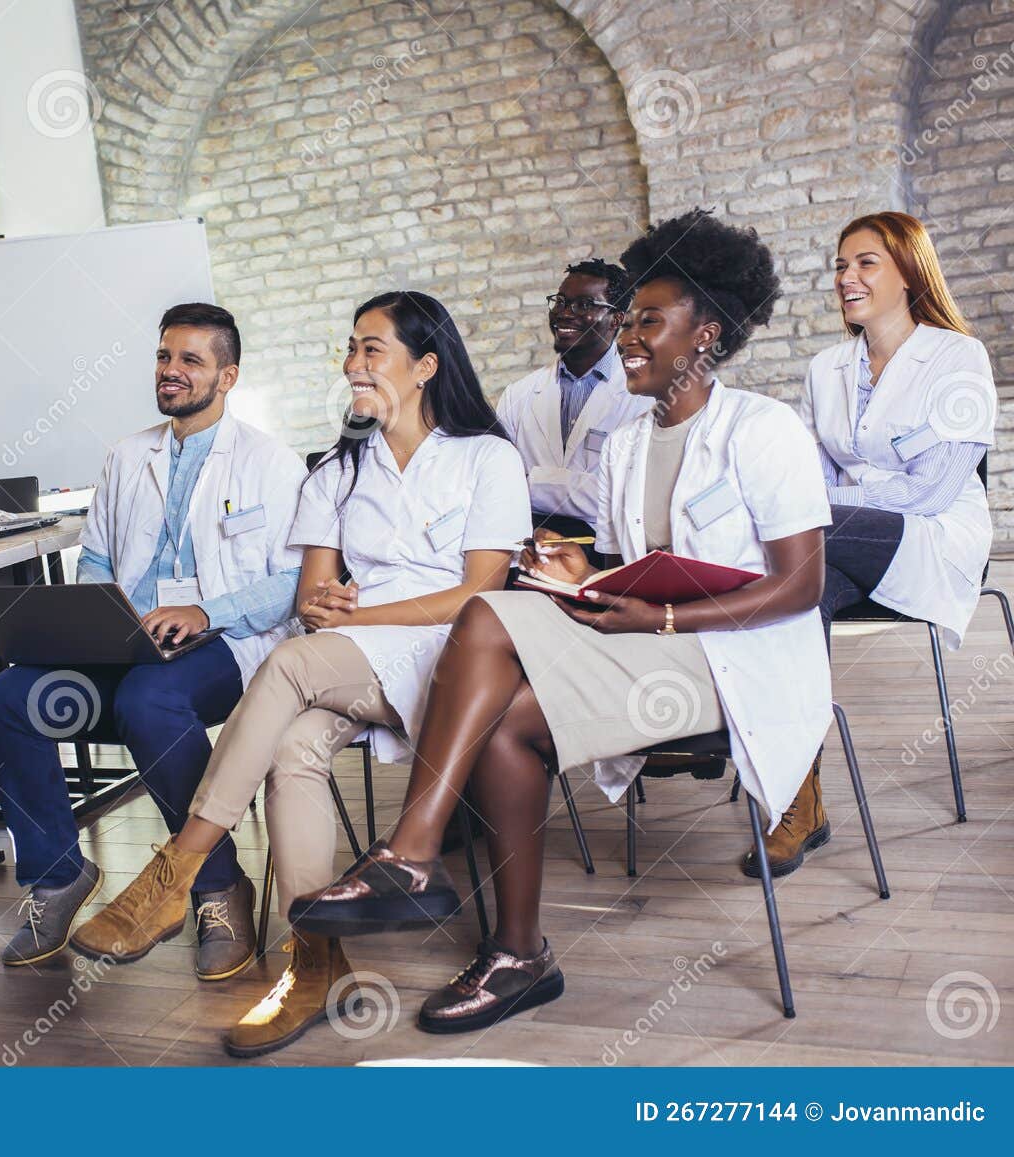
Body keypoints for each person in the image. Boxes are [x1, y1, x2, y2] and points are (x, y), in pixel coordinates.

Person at [293, 211, 832, 1036]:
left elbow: (800, 587)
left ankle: (414, 853)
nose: (628, 339)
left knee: (489, 635)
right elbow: (632, 565)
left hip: (732, 662)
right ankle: (517, 952)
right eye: (631, 321)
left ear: (707, 335)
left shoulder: (763, 430)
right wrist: (584, 575)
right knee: (502, 686)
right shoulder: (625, 446)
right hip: (646, 643)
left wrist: (659, 615)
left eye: (649, 321)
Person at [69, 291, 532, 1057]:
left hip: (455, 662)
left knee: (285, 664)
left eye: (371, 349)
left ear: (424, 366)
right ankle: (313, 966)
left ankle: (176, 872)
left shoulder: (488, 457)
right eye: (350, 348)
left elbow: (481, 592)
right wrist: (331, 607)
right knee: (292, 750)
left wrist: (353, 619)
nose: (353, 364)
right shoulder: (338, 472)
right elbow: (314, 596)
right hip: (348, 659)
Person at [0, 303, 304, 979]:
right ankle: (58, 873)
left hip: (228, 644)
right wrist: (106, 614)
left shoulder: (270, 461)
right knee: (8, 698)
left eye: (191, 360)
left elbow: (292, 583)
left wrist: (204, 612)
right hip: (127, 640)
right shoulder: (127, 456)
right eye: (164, 356)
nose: (172, 372)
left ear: (229, 374)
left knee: (149, 699)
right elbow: (95, 560)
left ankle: (216, 885)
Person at [757, 211, 997, 875]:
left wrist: (811, 508)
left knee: (786, 546)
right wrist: (810, 506)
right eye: (840, 264)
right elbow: (815, 476)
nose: (846, 276)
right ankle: (800, 799)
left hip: (934, 534)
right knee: (796, 598)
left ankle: (749, 748)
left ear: (909, 272)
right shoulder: (825, 367)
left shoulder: (956, 357)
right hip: (841, 539)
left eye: (865, 262)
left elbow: (929, 492)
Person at [495, 259, 650, 548]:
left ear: (616, 319)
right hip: (531, 548)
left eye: (583, 305)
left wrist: (533, 481)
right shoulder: (518, 395)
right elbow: (496, 486)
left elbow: (633, 496)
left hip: (607, 551)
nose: (565, 314)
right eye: (561, 302)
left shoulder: (642, 397)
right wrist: (582, 486)